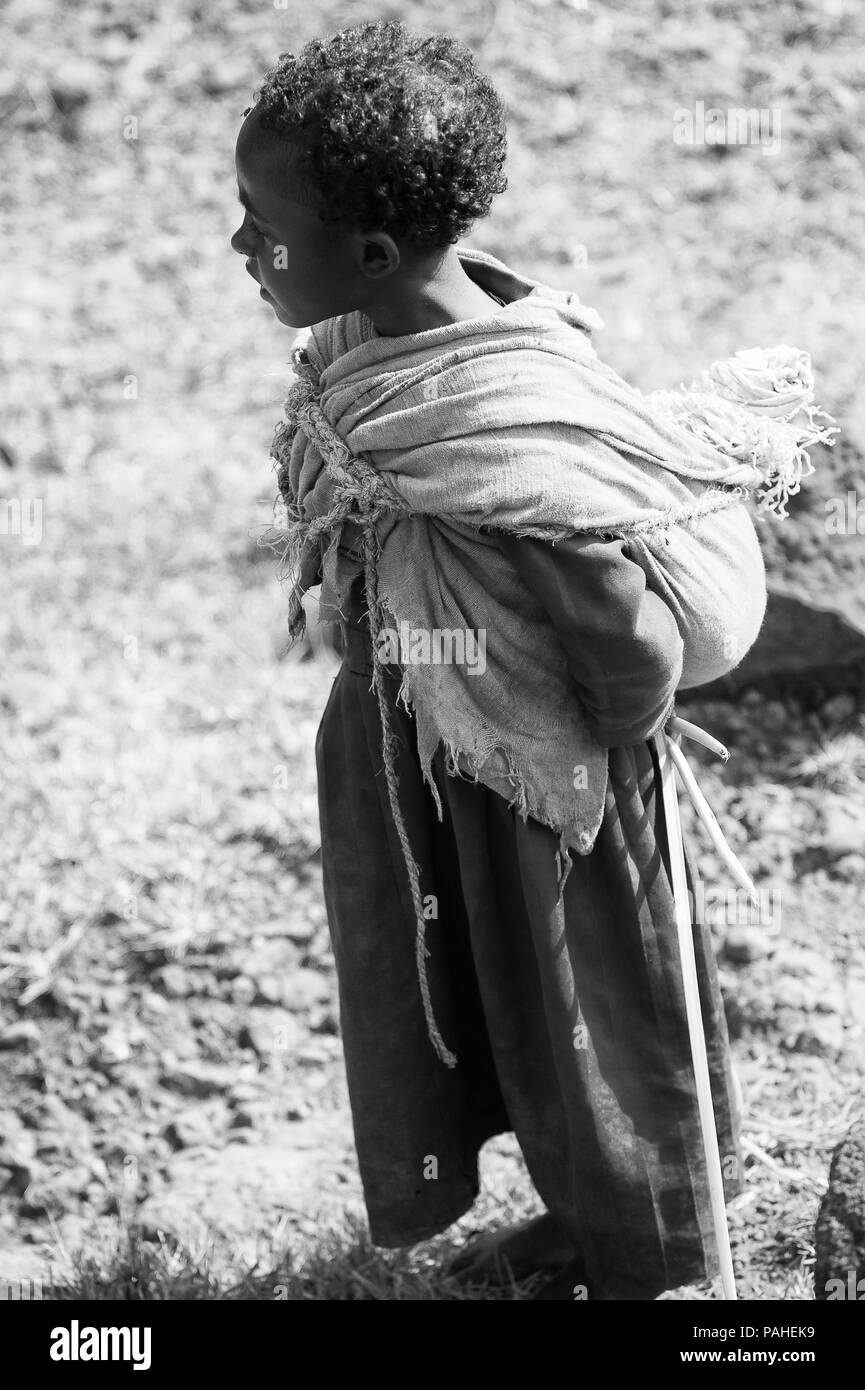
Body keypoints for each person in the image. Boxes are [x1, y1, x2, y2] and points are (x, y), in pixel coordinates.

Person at [230, 18, 753, 1300]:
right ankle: (584, 1224)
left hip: (540, 789)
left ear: (367, 251)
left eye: (260, 222)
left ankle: (652, 1260)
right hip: (436, 751)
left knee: (587, 1035)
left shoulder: (500, 428)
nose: (241, 246)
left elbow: (625, 637)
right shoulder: (375, 359)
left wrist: (591, 763)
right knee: (497, 1023)